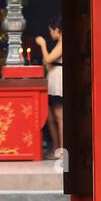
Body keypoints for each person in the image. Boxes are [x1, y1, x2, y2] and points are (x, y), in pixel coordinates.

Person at [36, 19, 63, 158]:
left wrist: (43, 44)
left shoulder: (62, 44)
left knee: (59, 117)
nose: (51, 33)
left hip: (58, 81)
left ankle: (62, 150)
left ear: (58, 30)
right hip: (52, 80)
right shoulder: (58, 43)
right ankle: (55, 147)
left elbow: (49, 58)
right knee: (51, 117)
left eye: (52, 31)